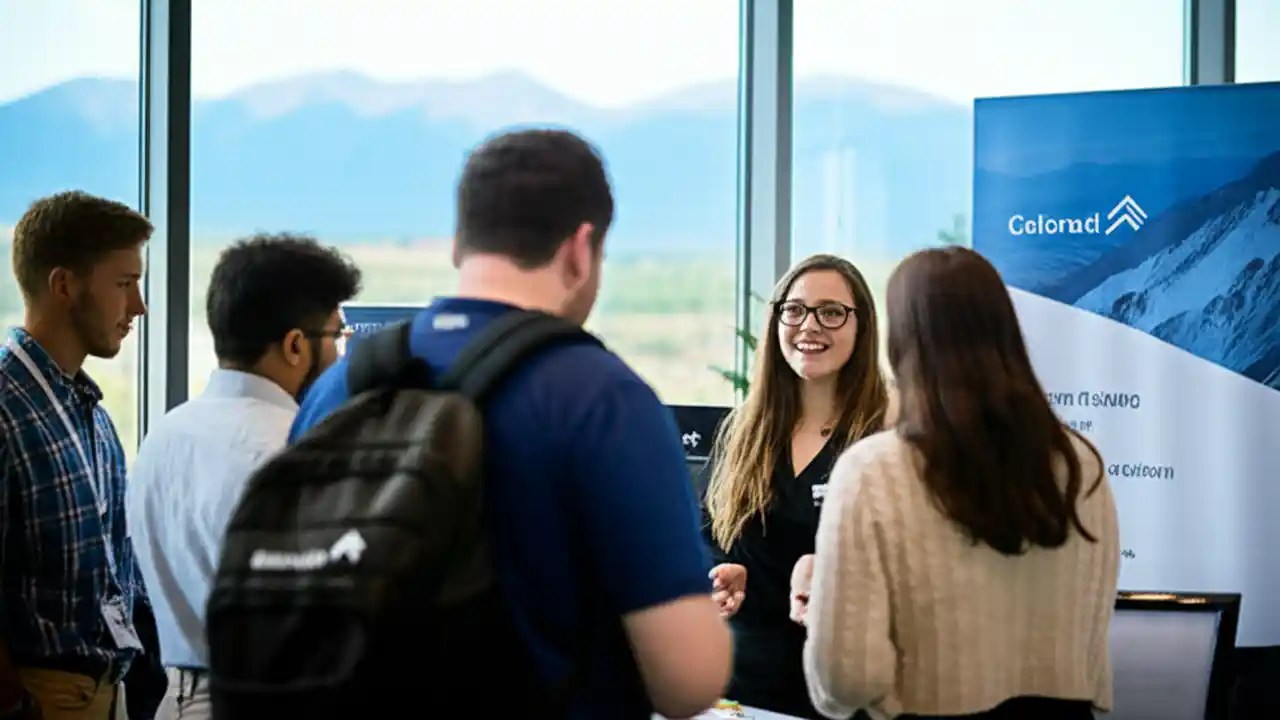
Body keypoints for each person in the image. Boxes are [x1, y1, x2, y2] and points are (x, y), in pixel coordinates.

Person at [290, 128, 732, 719]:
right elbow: (688, 682)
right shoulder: (602, 400)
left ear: (458, 245)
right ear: (581, 248)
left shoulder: (342, 386)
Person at [800, 246, 1119, 720]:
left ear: (901, 344)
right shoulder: (1081, 463)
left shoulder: (873, 471)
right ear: (1006, 334)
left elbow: (847, 677)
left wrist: (824, 599)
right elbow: (1092, 635)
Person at [126, 234, 361, 720]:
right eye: (338, 336)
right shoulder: (289, 451)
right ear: (296, 345)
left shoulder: (165, 434)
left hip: (175, 699)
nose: (342, 355)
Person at [701, 253, 889, 718]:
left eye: (831, 312)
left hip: (840, 689)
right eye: (795, 309)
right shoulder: (743, 430)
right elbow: (709, 533)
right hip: (739, 687)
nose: (809, 325)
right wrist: (723, 571)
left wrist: (832, 572)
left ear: (862, 327)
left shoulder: (887, 436)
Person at [0, 191, 157, 719]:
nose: (138, 307)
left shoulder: (90, 412)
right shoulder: (5, 407)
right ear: (65, 285)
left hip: (108, 689)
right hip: (43, 697)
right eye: (124, 284)